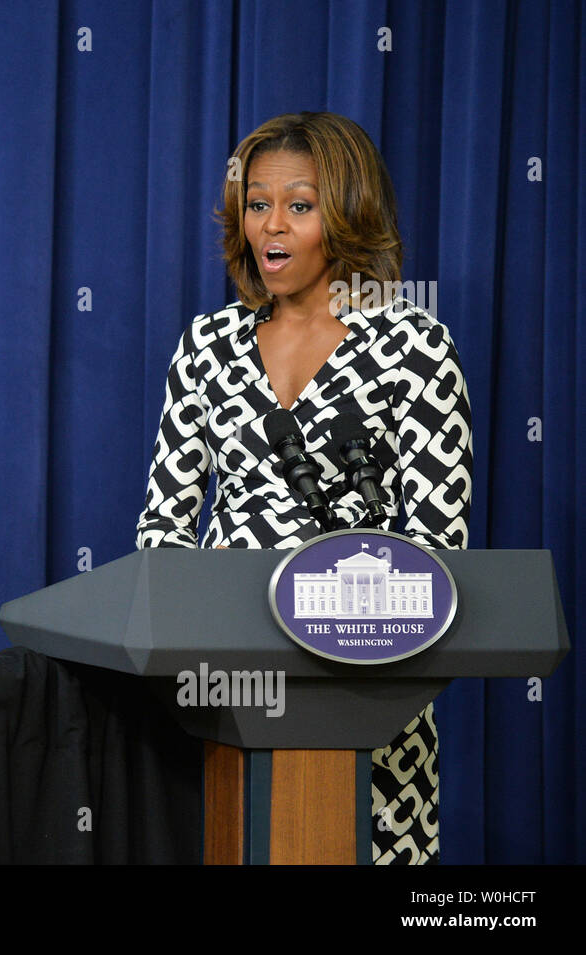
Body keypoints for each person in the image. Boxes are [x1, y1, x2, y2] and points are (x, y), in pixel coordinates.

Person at [136, 113, 473, 864]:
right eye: (257, 204)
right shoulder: (206, 346)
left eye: (300, 203)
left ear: (347, 213)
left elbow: (441, 550)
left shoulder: (413, 345)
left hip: (368, 692)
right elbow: (163, 532)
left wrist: (364, 655)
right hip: (228, 695)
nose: (272, 225)